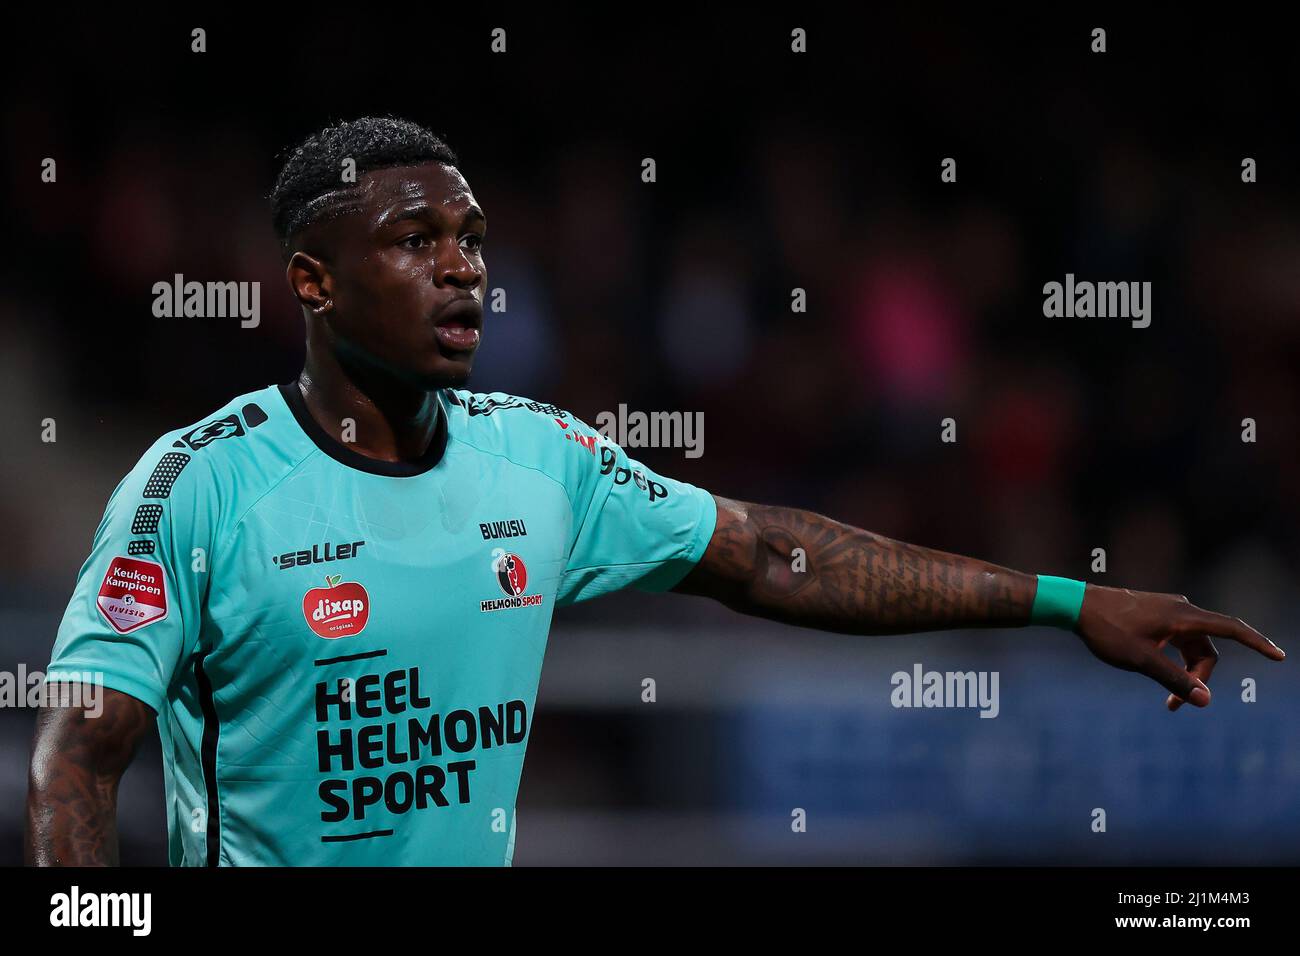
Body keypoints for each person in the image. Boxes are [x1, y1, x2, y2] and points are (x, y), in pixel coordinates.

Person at [26, 117, 1284, 866]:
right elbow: (76, 762)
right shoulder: (197, 487)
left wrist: (1068, 601)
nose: (462, 270)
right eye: (415, 242)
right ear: (311, 280)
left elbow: (772, 554)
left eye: (472, 240)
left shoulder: (540, 460)